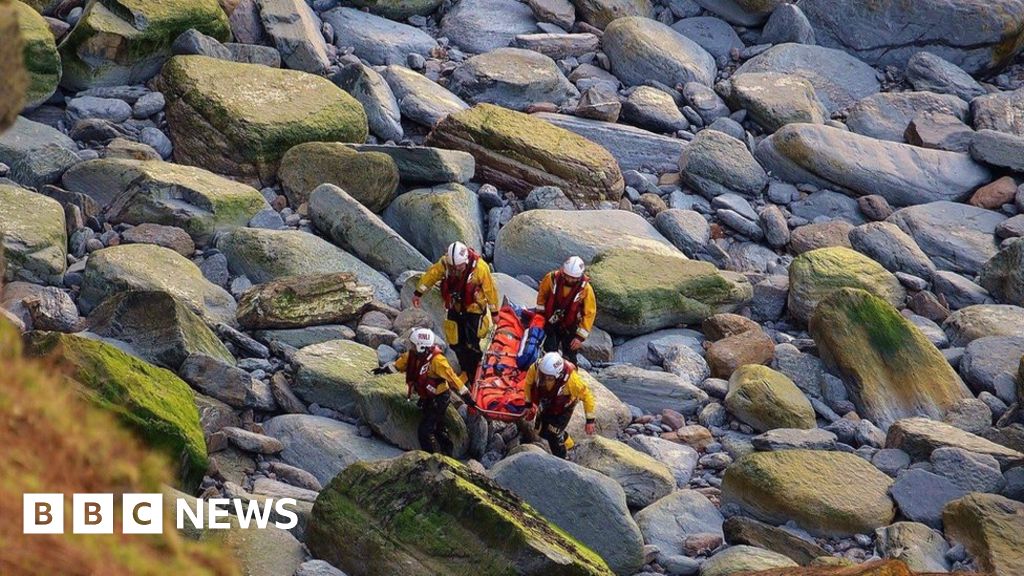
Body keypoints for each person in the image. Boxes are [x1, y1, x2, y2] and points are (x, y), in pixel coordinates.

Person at [373, 328, 476, 455]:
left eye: (413, 345)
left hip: (439, 398)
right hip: (427, 396)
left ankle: (432, 456)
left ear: (421, 347)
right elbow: (398, 365)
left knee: (425, 431)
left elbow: (453, 379)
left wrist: (468, 398)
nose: (411, 346)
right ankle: (445, 450)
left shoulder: (438, 361)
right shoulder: (412, 356)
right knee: (437, 426)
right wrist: (383, 370)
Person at [412, 241, 499, 380]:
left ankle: (476, 371)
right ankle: (465, 369)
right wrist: (418, 292)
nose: (456, 270)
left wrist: (494, 313)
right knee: (455, 342)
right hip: (455, 306)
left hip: (474, 309)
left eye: (459, 267)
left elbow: (490, 291)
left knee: (473, 342)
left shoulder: (481, 268)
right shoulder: (445, 264)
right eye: (454, 267)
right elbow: (432, 275)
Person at [523, 351, 596, 459]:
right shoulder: (535, 369)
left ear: (558, 376)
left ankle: (562, 458)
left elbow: (587, 397)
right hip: (547, 401)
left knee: (554, 435)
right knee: (542, 430)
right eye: (542, 376)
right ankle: (569, 443)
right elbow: (528, 384)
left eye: (548, 378)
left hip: (564, 406)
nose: (543, 381)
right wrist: (528, 405)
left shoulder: (572, 381)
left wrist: (590, 421)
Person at [536, 256, 596, 365]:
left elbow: (589, 313)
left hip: (571, 325)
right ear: (563, 272)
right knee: (548, 352)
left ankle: (570, 375)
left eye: (573, 278)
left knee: (570, 356)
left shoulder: (586, 289)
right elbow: (542, 296)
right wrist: (540, 317)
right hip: (551, 322)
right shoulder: (551, 278)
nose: (570, 280)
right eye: (567, 276)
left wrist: (579, 338)